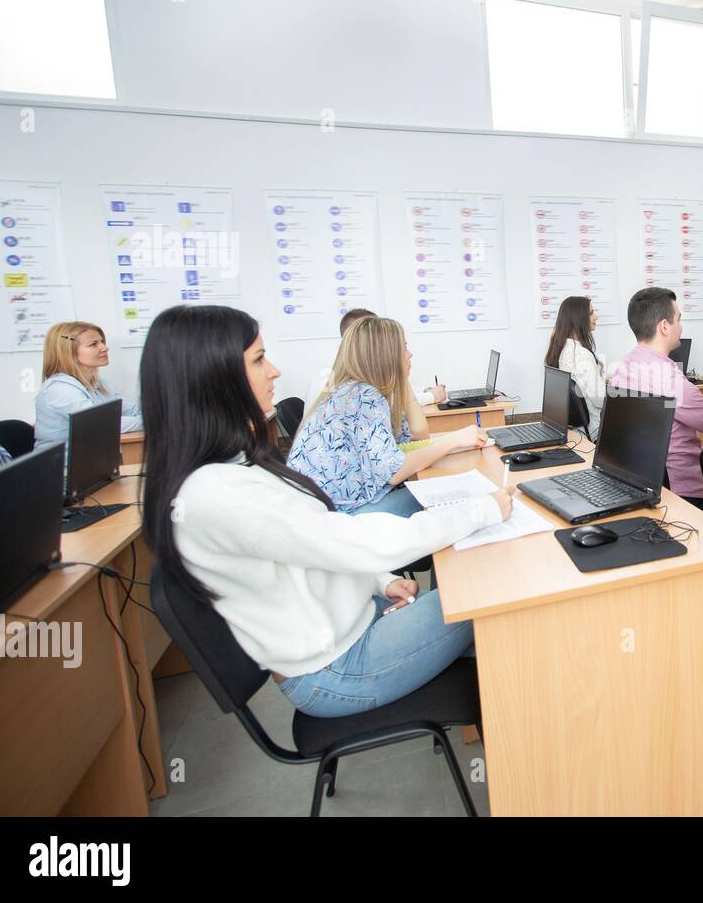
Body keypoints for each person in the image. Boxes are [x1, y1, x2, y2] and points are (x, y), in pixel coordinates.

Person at [139, 303, 513, 718]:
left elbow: (314, 538)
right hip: (337, 670)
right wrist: (480, 510)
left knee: (495, 616)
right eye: (259, 359)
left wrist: (379, 581)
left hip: (353, 628)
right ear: (213, 378)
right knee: (497, 594)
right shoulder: (216, 493)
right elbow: (353, 540)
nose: (275, 371)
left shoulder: (230, 468)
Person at [289, 315, 488, 517]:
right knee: (451, 495)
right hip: (342, 517)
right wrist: (453, 441)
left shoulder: (351, 390)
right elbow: (393, 471)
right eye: (403, 348)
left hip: (325, 510)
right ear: (385, 356)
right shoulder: (362, 396)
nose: (410, 354)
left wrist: (450, 441)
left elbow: (411, 440)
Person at [610, 287, 703, 514]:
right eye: (678, 318)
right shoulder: (666, 377)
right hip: (683, 494)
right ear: (664, 326)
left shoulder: (625, 366)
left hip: (642, 483)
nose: (680, 326)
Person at [34, 322, 143, 456]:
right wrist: (157, 420)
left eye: (102, 342)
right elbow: (105, 425)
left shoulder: (98, 383)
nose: (104, 348)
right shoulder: (59, 389)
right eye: (93, 344)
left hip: (92, 466)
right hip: (61, 472)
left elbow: (131, 409)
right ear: (68, 352)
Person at [306, 308, 447, 407]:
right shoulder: (334, 378)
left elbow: (391, 393)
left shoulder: (358, 366)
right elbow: (388, 403)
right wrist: (431, 396)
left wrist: (425, 391)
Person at [544, 296, 606, 438]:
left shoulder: (561, 348)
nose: (596, 316)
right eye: (591, 313)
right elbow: (601, 399)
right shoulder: (581, 355)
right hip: (594, 430)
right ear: (578, 318)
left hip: (576, 429)